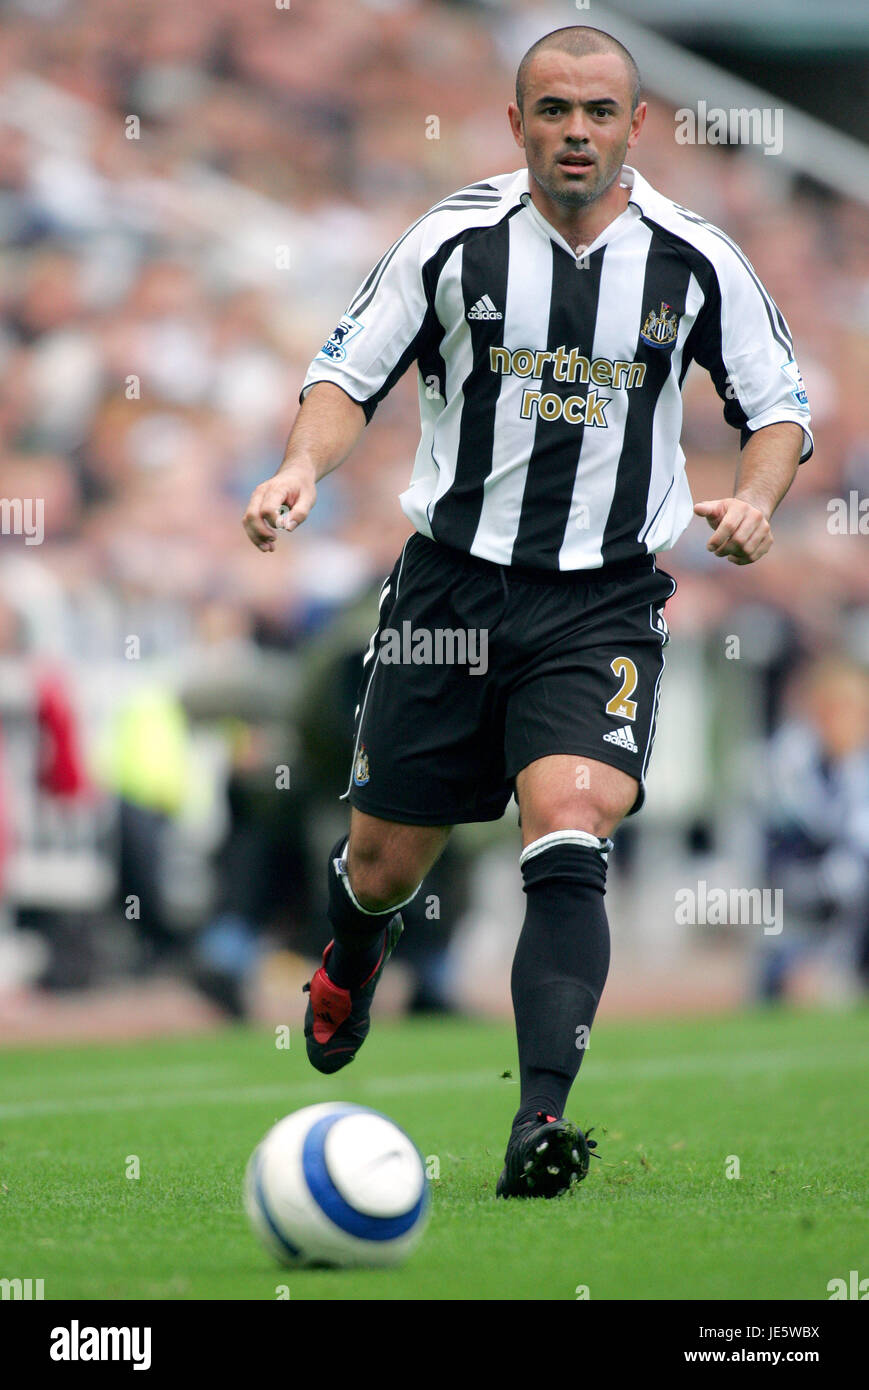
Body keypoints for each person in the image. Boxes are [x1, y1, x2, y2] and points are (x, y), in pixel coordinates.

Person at [242, 25, 812, 1198]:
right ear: (514, 124)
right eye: (551, 111)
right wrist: (302, 469)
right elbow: (347, 373)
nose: (574, 132)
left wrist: (756, 499)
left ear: (633, 127)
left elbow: (777, 404)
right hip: (450, 589)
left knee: (572, 817)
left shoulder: (694, 258)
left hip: (600, 602)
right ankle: (353, 950)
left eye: (598, 113)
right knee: (387, 860)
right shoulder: (451, 239)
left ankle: (538, 1122)